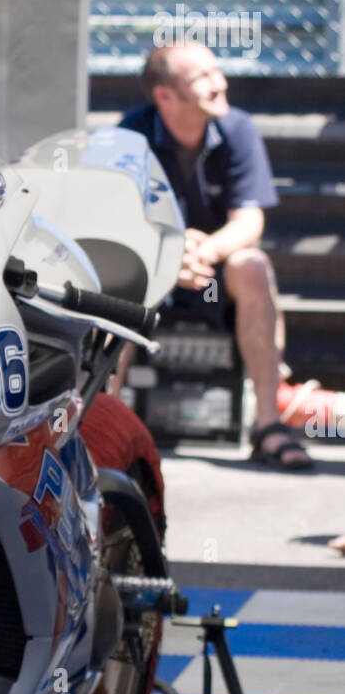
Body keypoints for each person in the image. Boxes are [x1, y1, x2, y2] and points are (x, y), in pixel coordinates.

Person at [117, 41, 311, 471]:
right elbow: (118, 219)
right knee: (120, 273)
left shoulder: (239, 129)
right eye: (203, 77)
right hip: (155, 272)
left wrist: (202, 251)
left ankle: (268, 426)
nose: (220, 83)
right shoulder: (130, 135)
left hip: (214, 277)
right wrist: (168, 256)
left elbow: (249, 223)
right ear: (166, 96)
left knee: (253, 264)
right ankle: (99, 429)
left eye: (217, 72)